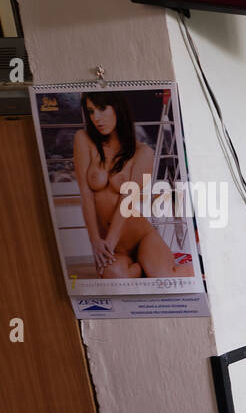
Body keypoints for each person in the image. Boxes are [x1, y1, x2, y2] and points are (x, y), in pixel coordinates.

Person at [74, 91, 194, 279]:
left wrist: (110, 243)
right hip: (107, 242)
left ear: (118, 109)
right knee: (116, 276)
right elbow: (85, 193)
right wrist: (96, 241)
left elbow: (127, 202)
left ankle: (203, 271)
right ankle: (142, 268)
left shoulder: (143, 152)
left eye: (102, 108)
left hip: (141, 237)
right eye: (91, 111)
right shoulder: (83, 140)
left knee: (163, 276)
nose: (96, 118)